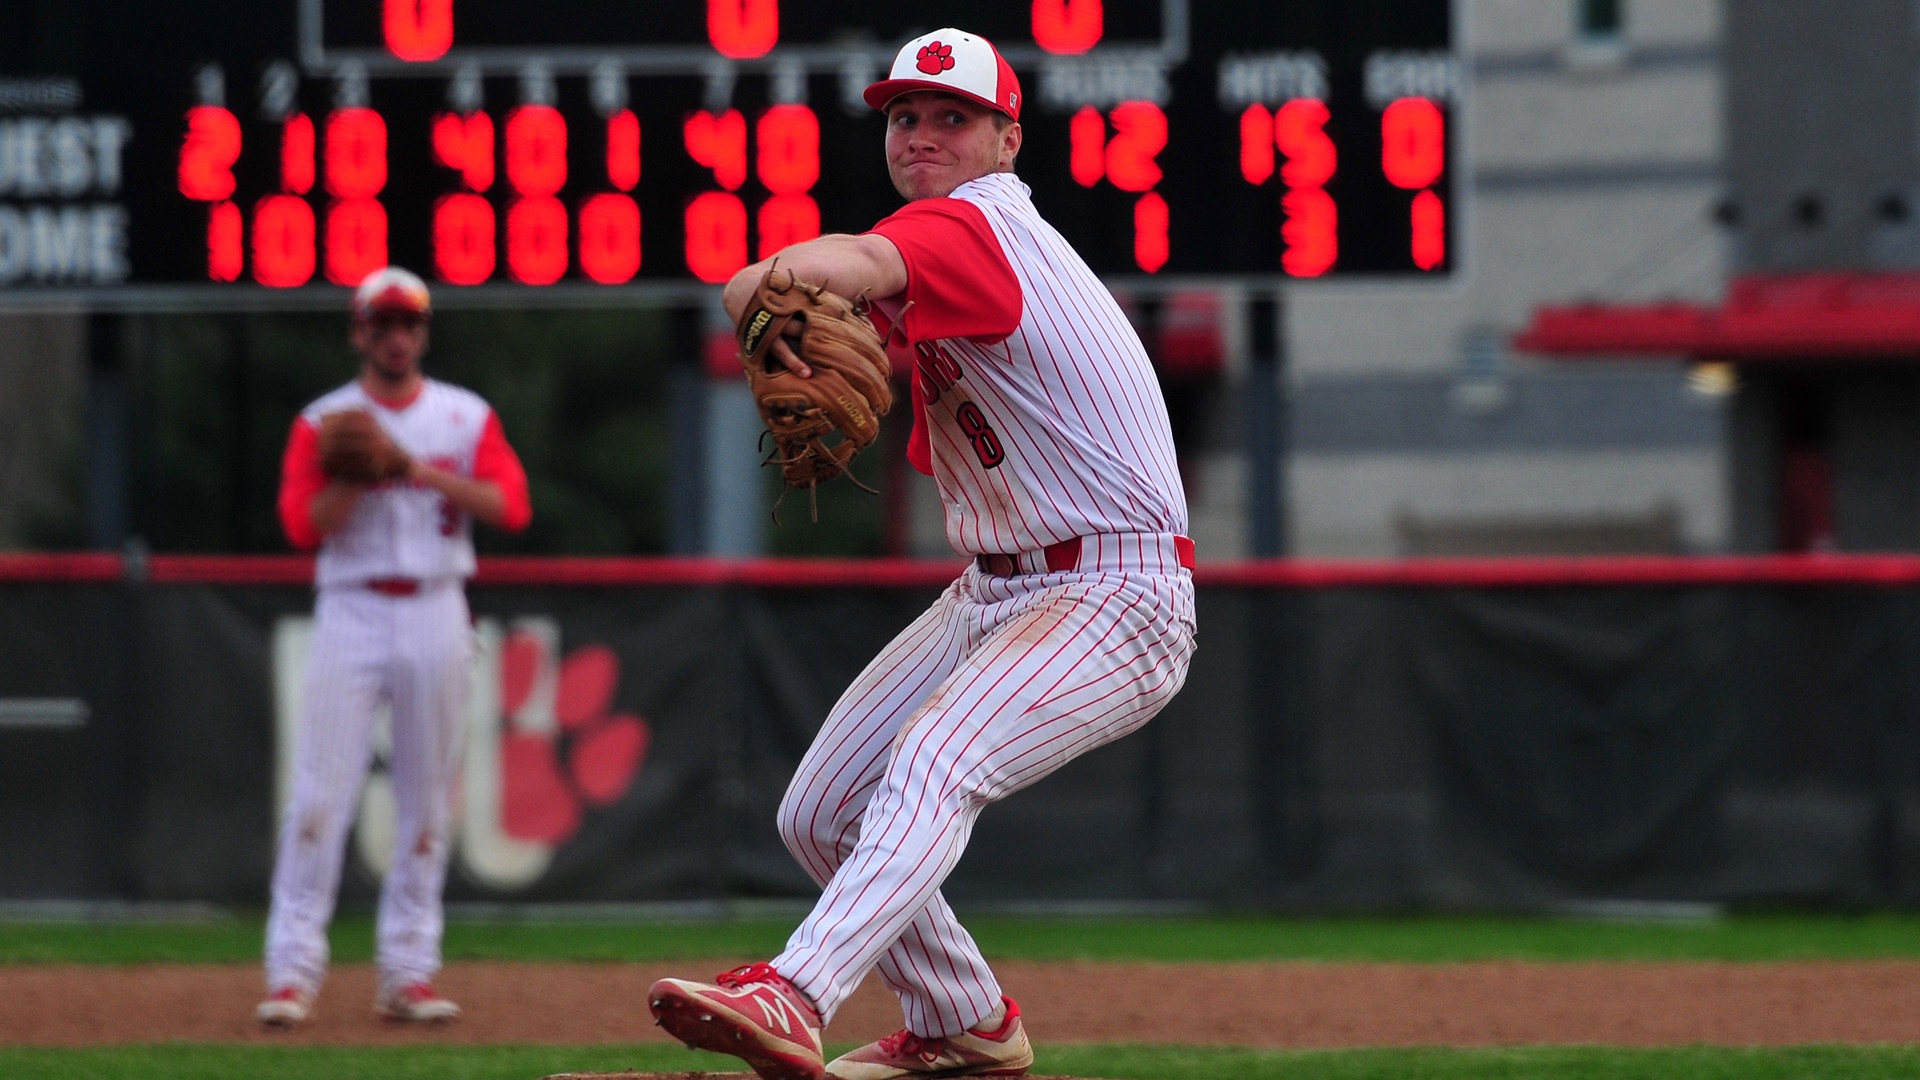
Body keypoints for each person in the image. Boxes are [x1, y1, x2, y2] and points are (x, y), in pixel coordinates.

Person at [647, 28, 1197, 1080]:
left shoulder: (974, 224)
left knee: (936, 759)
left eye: (953, 117)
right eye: (905, 117)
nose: (922, 135)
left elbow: (824, 267)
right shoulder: (951, 264)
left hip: (1115, 592)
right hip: (1000, 590)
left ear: (1007, 140)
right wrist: (792, 319)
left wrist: (761, 296)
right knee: (820, 814)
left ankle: (793, 992)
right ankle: (963, 1023)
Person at [256, 266, 532, 1027]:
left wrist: (409, 468)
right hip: (352, 608)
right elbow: (301, 525)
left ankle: (409, 972)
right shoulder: (324, 421)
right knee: (318, 798)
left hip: (437, 607)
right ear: (359, 332)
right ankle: (291, 973)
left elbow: (511, 506)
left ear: (423, 332)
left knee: (426, 800)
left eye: (408, 322)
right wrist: (356, 477)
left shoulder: (463, 416)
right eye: (382, 323)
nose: (396, 335)